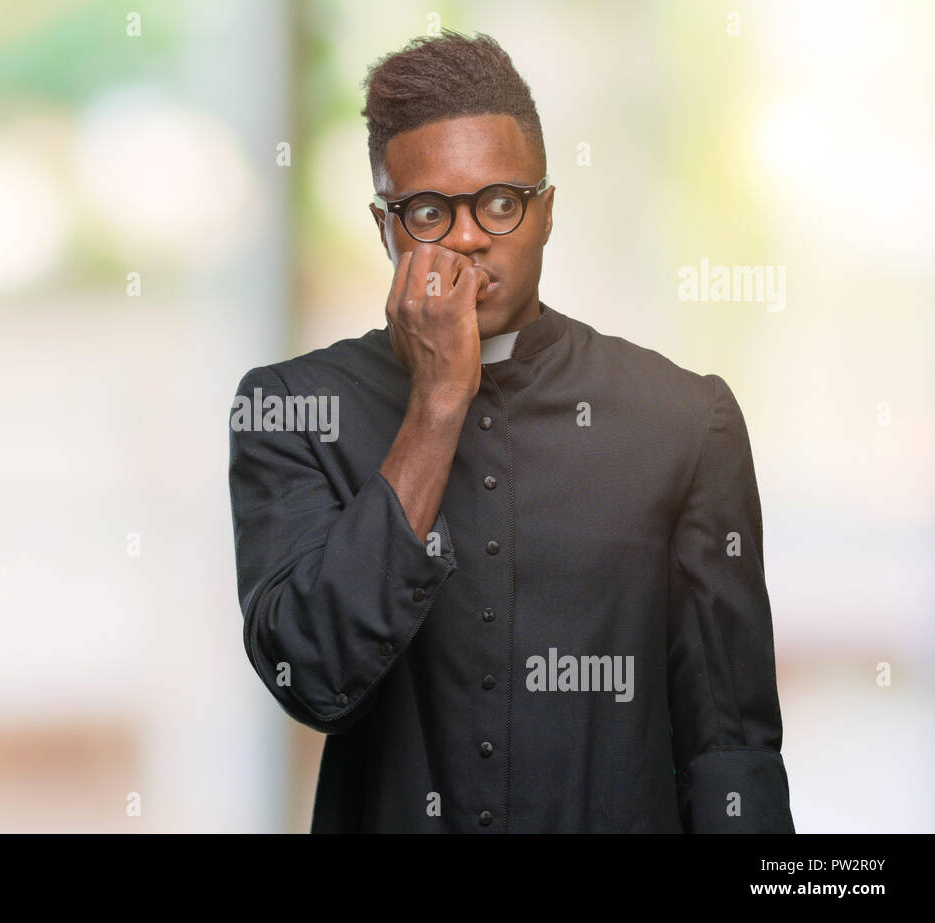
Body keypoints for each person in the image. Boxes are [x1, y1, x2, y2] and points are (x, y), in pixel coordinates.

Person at [227, 30, 794, 833]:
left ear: (547, 210)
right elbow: (313, 676)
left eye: (500, 202)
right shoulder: (289, 410)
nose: (467, 237)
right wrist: (435, 407)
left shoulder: (684, 419)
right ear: (386, 226)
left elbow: (731, 747)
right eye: (428, 211)